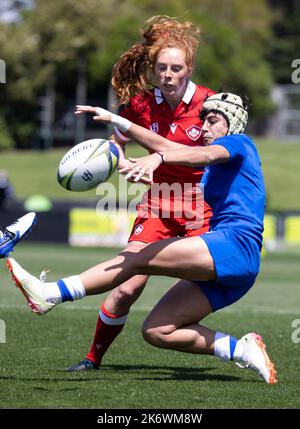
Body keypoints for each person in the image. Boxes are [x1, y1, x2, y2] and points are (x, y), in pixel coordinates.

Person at [7, 92, 277, 384]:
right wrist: (123, 138)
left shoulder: (238, 142)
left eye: (212, 121)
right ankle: (243, 350)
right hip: (234, 270)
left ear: (232, 124)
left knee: (138, 258)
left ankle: (52, 294)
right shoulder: (215, 171)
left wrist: (158, 158)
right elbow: (173, 151)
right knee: (158, 330)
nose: (205, 128)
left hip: (235, 247)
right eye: (205, 121)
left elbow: (197, 154)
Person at [67, 15, 215, 371]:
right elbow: (114, 149)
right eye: (161, 67)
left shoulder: (212, 105)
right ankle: (92, 359)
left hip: (203, 206)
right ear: (153, 69)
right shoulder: (138, 107)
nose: (168, 74)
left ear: (189, 68)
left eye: (176, 68)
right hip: (159, 203)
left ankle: (231, 346)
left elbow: (224, 156)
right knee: (126, 288)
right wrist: (121, 164)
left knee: (209, 281)